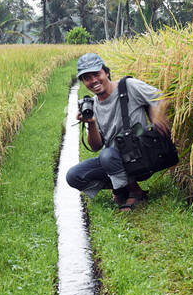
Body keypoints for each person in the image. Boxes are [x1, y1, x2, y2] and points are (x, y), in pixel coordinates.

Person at [65, 52, 171, 211]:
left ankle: (135, 193)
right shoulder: (93, 105)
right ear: (83, 82)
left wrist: (156, 117)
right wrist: (91, 123)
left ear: (106, 72)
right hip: (115, 160)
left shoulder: (128, 86)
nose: (93, 81)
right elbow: (95, 146)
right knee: (74, 176)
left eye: (96, 74)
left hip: (141, 158)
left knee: (107, 155)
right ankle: (122, 187)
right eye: (87, 78)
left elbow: (160, 97)